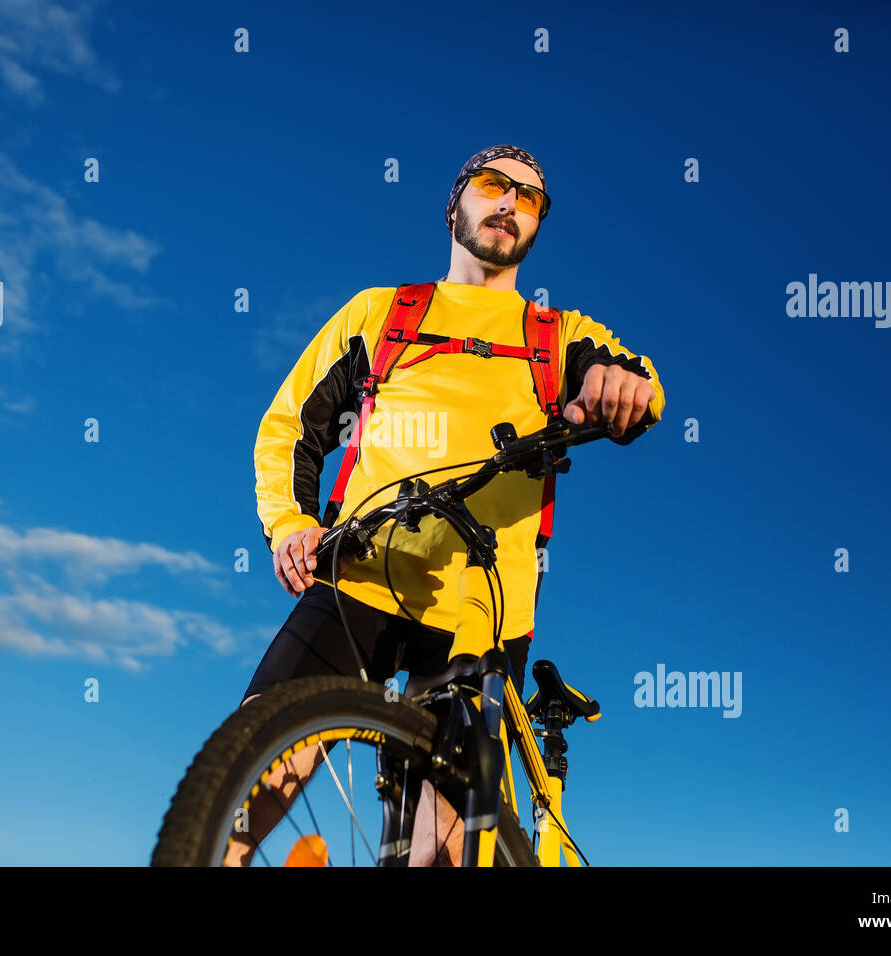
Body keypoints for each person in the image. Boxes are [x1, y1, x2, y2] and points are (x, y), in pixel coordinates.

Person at [232, 145, 665, 866]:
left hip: (485, 607)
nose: (509, 204)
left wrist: (624, 387)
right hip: (362, 572)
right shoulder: (382, 312)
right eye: (494, 185)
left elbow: (637, 381)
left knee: (442, 849)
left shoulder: (555, 335)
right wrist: (291, 524)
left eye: (529, 198)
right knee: (253, 766)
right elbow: (289, 428)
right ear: (455, 202)